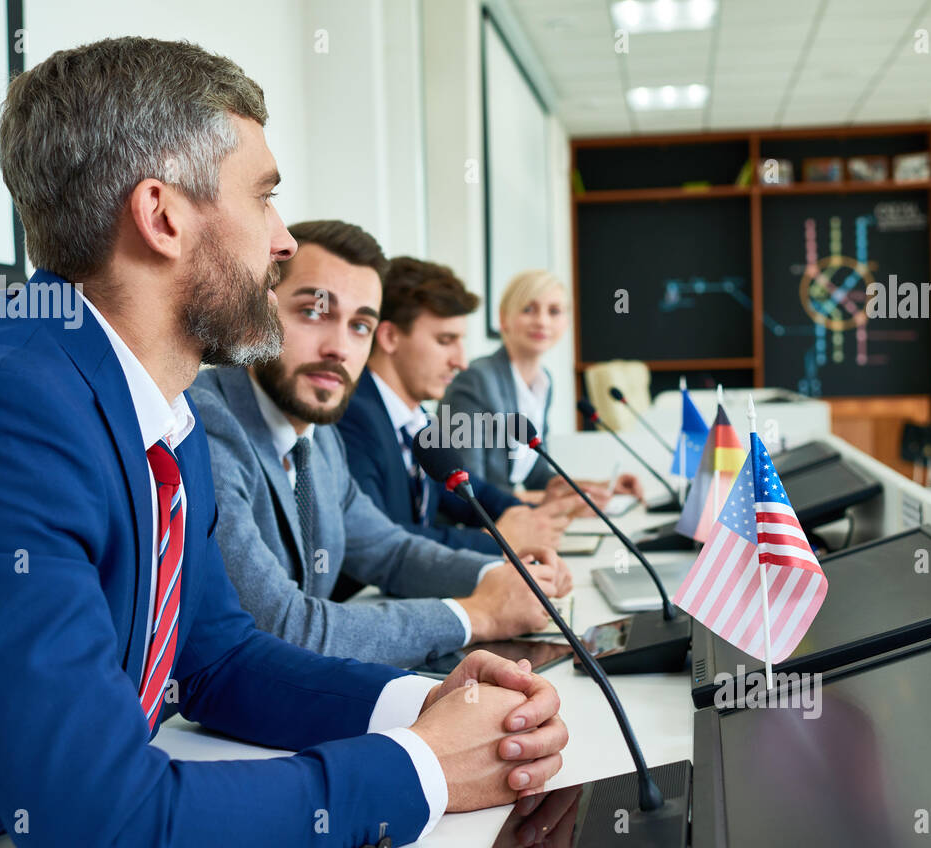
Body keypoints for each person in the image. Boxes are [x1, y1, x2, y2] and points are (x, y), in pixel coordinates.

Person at [0, 37, 565, 848]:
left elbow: (218, 660)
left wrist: (429, 702)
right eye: (265, 198)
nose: (282, 240)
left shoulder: (156, 404)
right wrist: (423, 768)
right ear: (163, 215)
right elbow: (110, 828)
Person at [191, 221, 571, 668]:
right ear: (260, 306)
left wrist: (505, 577)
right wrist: (479, 614)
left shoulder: (320, 436)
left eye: (360, 325)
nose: (339, 348)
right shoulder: (207, 420)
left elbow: (392, 551)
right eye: (313, 313)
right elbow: (284, 627)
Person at [338, 256, 575, 561]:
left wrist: (527, 516)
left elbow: (465, 489)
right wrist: (497, 541)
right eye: (445, 340)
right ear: (390, 337)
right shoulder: (353, 416)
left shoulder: (417, 418)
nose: (461, 361)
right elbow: (381, 539)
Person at [442, 269, 643, 505]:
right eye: (528, 309)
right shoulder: (475, 380)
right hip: (479, 528)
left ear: (567, 322)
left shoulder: (544, 382)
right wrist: (566, 503)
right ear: (503, 318)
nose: (542, 321)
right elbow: (467, 491)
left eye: (554, 311)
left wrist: (600, 487)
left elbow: (537, 475)